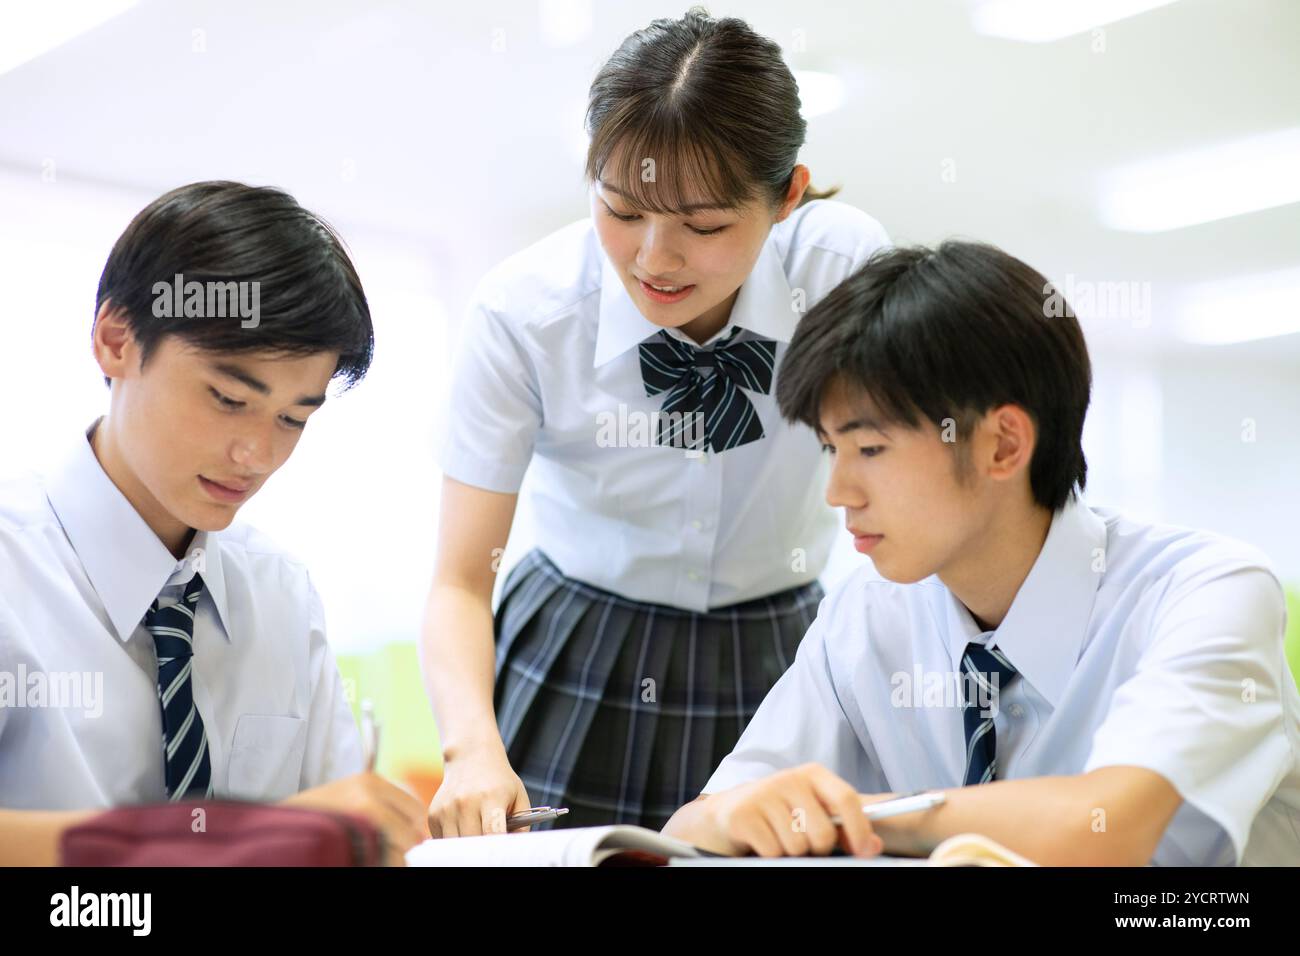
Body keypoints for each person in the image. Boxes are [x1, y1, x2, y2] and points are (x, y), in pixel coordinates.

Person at [663, 240, 1300, 865]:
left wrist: (852, 818)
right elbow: (699, 825)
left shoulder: (1206, 591)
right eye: (832, 449)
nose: (837, 493)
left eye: (871, 450)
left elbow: (1104, 831)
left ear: (1002, 445)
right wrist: (729, 814)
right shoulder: (866, 614)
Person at [422, 8, 890, 835]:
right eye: (623, 210)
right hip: (577, 637)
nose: (653, 258)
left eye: (704, 226)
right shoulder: (525, 311)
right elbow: (460, 580)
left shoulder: (844, 271)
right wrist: (471, 752)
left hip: (781, 643)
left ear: (788, 196)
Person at [0, 181, 428, 865]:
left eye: (294, 418)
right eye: (229, 398)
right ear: (115, 341)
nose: (257, 455)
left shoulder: (281, 594)